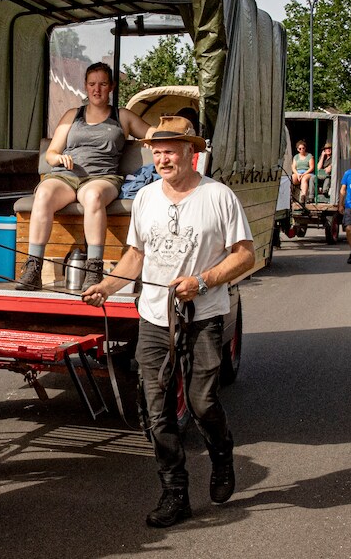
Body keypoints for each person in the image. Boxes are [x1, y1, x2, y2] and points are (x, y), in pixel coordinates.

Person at [81, 116, 254, 528]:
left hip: (203, 316)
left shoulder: (218, 197)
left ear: (191, 153)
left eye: (170, 151)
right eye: (156, 152)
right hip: (155, 318)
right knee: (156, 411)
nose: (162, 159)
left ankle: (222, 456)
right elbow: (136, 255)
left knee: (202, 403)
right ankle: (174, 492)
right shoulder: (145, 198)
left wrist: (204, 280)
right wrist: (107, 285)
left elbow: (245, 254)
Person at [16, 62, 159, 292]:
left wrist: (176, 134)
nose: (97, 89)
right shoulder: (73, 115)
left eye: (103, 84)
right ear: (85, 86)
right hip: (66, 176)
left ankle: (94, 269)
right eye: (92, 84)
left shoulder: (122, 116)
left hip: (103, 178)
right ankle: (33, 268)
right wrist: (59, 159)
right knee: (42, 192)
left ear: (111, 86)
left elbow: (152, 134)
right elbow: (51, 153)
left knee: (92, 196)